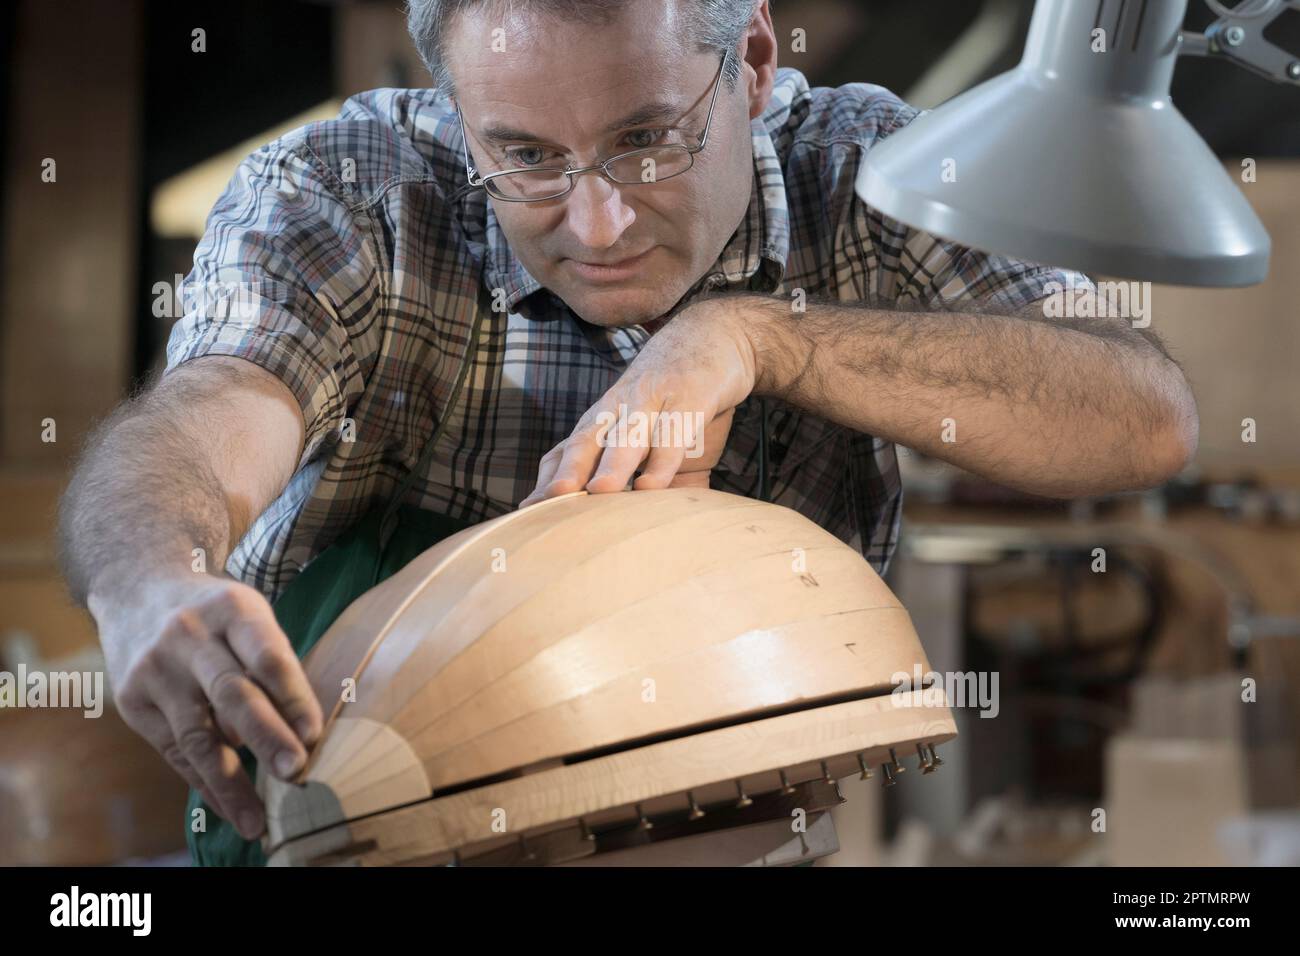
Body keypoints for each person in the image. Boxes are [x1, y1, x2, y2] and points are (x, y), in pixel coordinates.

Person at [57, 0, 1197, 863]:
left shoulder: (864, 173)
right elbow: (207, 414)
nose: (595, 221)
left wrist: (762, 338)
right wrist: (152, 572)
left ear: (750, 60)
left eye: (648, 139)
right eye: (527, 156)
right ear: (455, 111)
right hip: (350, 833)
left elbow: (1140, 419)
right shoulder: (352, 193)